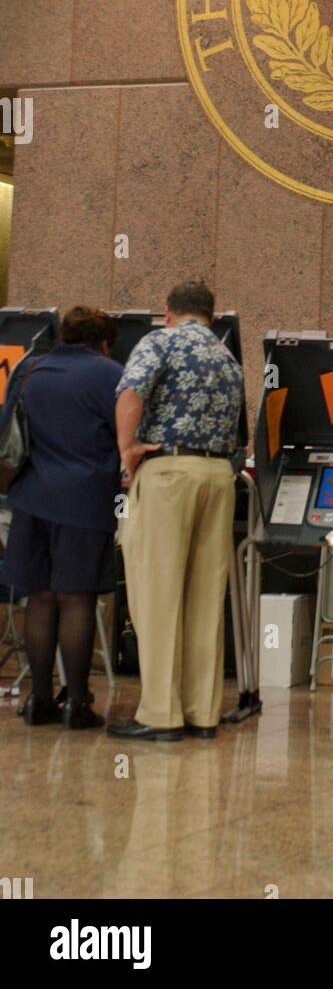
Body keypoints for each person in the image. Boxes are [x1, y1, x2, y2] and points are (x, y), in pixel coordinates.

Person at [107, 281, 243, 743]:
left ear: (168, 312)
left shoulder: (159, 341)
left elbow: (130, 393)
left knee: (159, 592)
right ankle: (201, 712)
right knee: (206, 595)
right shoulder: (229, 358)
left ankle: (161, 714)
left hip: (169, 473)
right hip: (219, 477)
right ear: (211, 314)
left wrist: (127, 449)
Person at [0, 306, 122, 730]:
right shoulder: (110, 375)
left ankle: (39, 700)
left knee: (40, 597)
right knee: (77, 598)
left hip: (32, 497)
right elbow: (125, 434)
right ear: (104, 342)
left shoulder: (30, 369)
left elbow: (7, 430)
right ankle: (76, 703)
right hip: (85, 500)